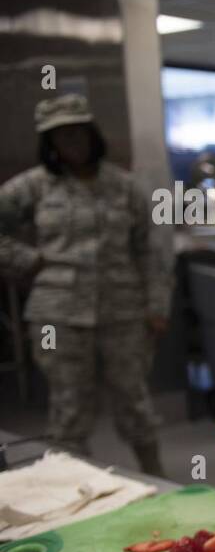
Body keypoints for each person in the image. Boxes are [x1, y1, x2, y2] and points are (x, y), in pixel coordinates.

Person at [0, 94, 172, 475]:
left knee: (134, 401)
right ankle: (71, 483)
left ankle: (156, 476)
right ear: (50, 144)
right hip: (57, 314)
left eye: (79, 133)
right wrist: (28, 260)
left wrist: (157, 306)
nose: (73, 143)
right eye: (62, 136)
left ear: (92, 135)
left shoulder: (124, 187)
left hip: (122, 311)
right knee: (69, 409)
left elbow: (150, 251)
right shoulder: (34, 187)